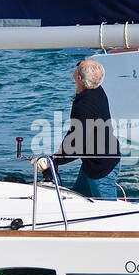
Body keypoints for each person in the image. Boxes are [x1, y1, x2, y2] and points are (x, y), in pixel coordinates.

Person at [44, 59, 120, 199]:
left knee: (108, 211)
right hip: (92, 162)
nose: (78, 64)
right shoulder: (95, 89)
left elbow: (77, 144)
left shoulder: (85, 106)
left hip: (101, 168)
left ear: (78, 78)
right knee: (79, 199)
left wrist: (54, 161)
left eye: (79, 66)